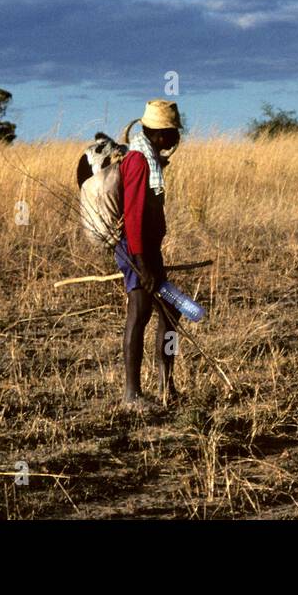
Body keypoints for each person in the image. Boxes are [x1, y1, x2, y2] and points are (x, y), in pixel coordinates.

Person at [116, 99, 183, 406]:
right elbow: (133, 216)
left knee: (171, 311)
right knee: (139, 313)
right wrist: (142, 263)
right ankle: (132, 395)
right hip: (136, 250)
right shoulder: (139, 162)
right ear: (159, 134)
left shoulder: (149, 159)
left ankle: (166, 386)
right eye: (172, 133)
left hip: (147, 250)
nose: (176, 139)